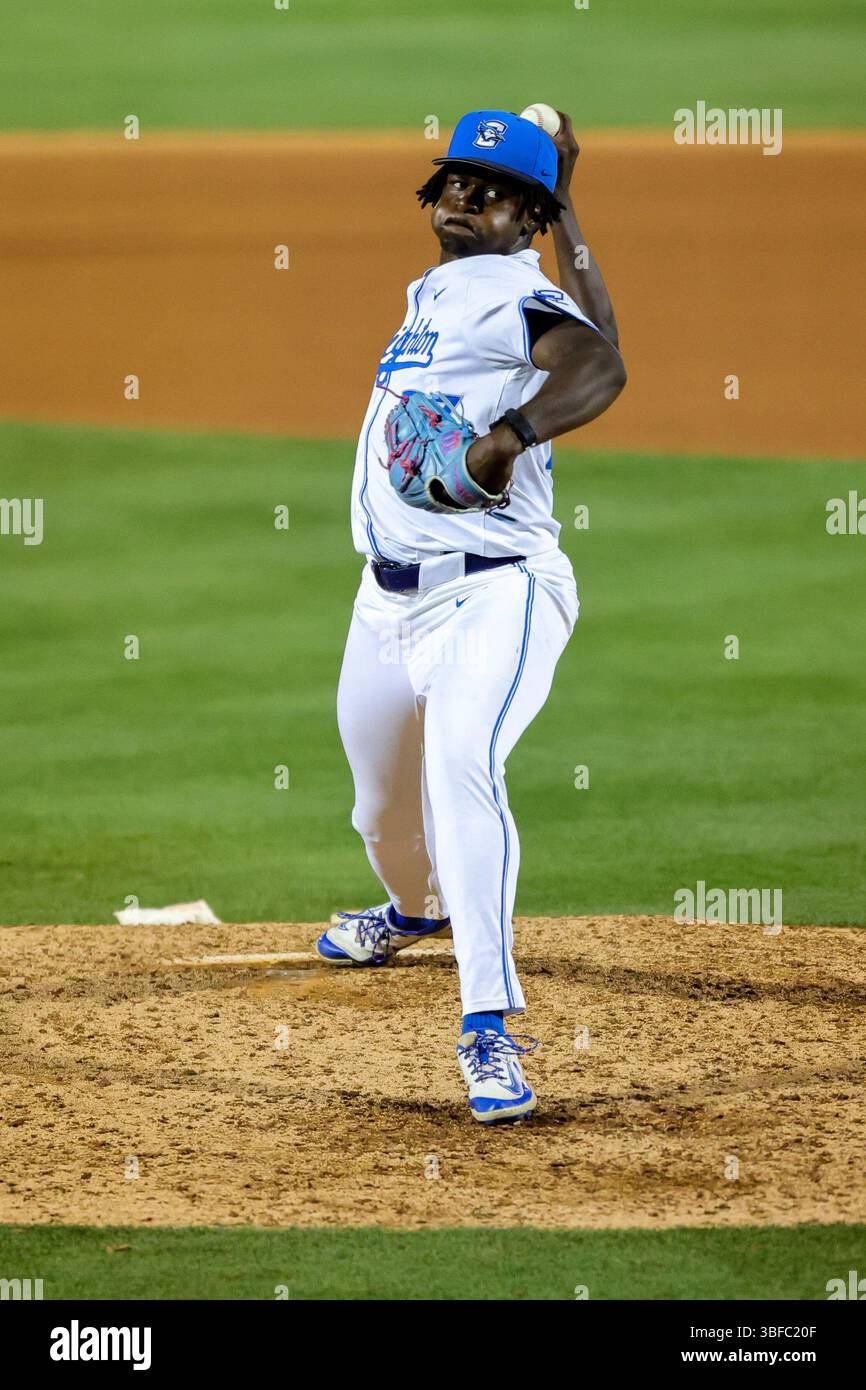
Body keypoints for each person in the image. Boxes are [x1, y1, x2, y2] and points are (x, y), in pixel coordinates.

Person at [316, 109, 625, 1123]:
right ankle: (413, 913)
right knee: (379, 813)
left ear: (521, 216)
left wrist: (509, 435)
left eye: (490, 188)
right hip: (386, 601)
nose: (462, 195)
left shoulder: (503, 288)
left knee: (461, 770)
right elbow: (600, 337)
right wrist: (566, 205)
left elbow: (598, 368)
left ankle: (485, 1026)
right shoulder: (445, 285)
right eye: (453, 178)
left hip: (494, 588)